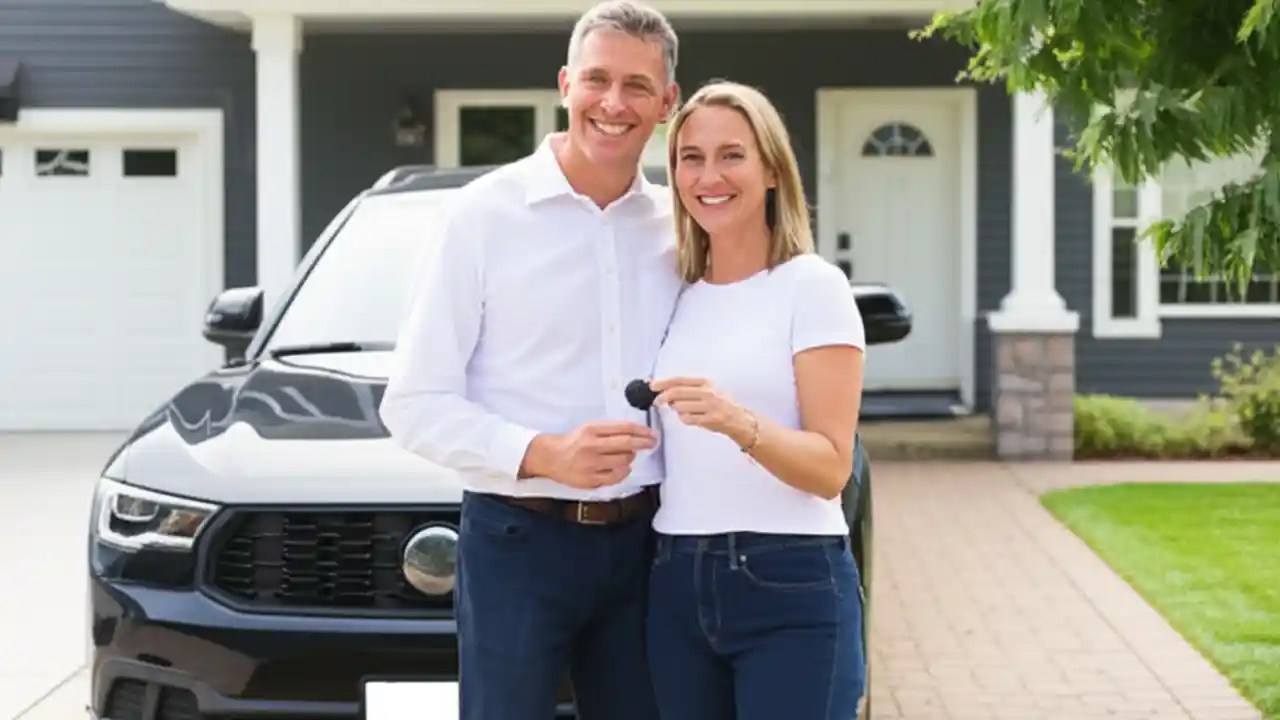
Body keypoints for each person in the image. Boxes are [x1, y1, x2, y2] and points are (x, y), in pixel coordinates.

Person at [378, 2, 683, 719]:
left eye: (638, 86)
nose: (614, 103)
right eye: (598, 80)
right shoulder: (482, 216)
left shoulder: (682, 226)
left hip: (651, 544)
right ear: (565, 84)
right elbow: (413, 403)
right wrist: (544, 453)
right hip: (518, 543)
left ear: (667, 103)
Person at [642, 80, 868, 720]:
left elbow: (830, 469)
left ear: (771, 169)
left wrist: (739, 423)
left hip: (789, 578)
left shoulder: (812, 287)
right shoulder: (675, 292)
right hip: (675, 577)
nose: (708, 175)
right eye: (690, 157)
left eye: (731, 155)